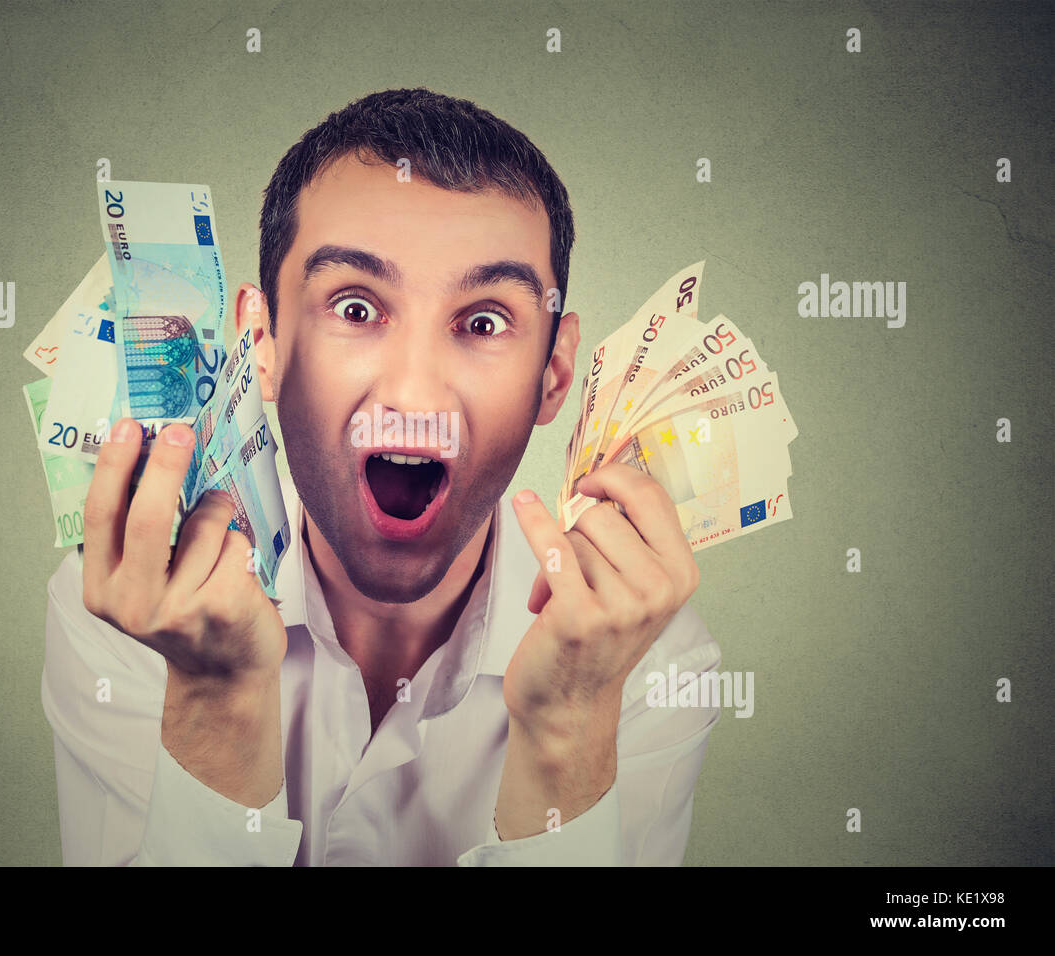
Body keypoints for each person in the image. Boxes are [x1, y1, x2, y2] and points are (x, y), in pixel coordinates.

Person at [42, 87, 722, 866]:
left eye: (485, 322)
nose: (415, 392)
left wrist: (570, 731)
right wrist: (212, 703)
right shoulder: (129, 614)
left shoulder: (649, 664)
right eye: (357, 309)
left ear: (554, 373)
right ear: (260, 343)